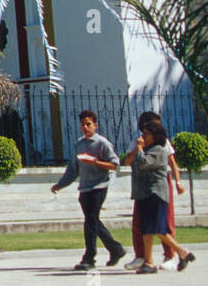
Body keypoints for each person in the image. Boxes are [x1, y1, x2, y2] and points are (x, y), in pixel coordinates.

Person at [51, 110, 126, 269]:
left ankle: (89, 258)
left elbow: (115, 165)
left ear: (95, 125)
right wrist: (60, 184)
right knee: (93, 221)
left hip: (99, 187)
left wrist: (96, 162)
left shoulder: (102, 143)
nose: (85, 127)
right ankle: (115, 249)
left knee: (90, 222)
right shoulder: (79, 144)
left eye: (88, 124)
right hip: (84, 188)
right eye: (83, 124)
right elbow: (73, 169)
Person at [126, 121, 195, 274]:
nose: (143, 136)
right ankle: (150, 261)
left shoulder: (158, 150)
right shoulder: (147, 149)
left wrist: (138, 148)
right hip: (144, 193)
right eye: (143, 133)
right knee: (147, 229)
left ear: (155, 136)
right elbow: (129, 162)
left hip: (155, 193)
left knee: (157, 229)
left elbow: (143, 163)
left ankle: (180, 252)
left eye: (147, 134)